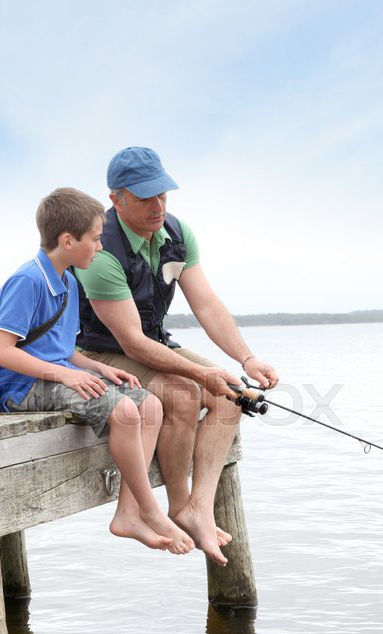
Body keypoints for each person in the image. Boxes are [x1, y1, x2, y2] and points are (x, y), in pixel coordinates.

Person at [75, 148, 279, 567]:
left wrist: (246, 359)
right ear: (117, 199)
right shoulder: (101, 252)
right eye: (146, 197)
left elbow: (206, 305)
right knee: (186, 394)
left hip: (154, 342)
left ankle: (197, 509)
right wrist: (202, 375)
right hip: (99, 350)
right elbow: (131, 343)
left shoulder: (178, 233)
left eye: (163, 195)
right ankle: (177, 501)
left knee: (233, 393)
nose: (158, 206)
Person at [0, 187, 194, 556]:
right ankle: (150, 510)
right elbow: (1, 352)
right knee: (125, 411)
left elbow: (64, 351)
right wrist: (65, 375)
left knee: (151, 406)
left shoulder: (67, 280)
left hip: (57, 375)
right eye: (95, 239)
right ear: (67, 240)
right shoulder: (28, 281)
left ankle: (128, 512)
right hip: (22, 387)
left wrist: (98, 368)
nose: (99, 247)